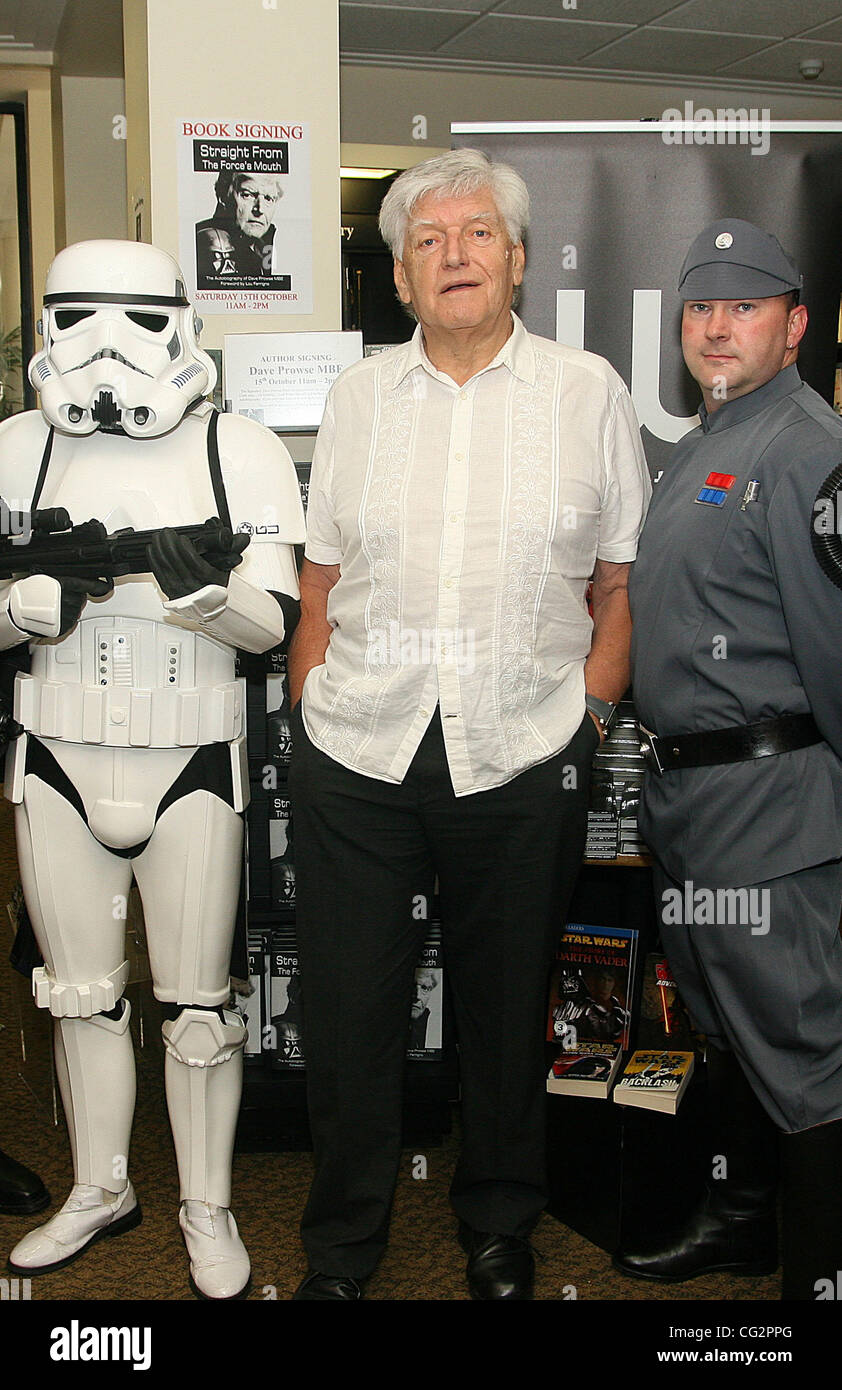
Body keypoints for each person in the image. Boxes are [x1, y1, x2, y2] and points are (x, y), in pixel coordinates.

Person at [287, 148, 650, 1300]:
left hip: (522, 749)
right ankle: (342, 1248)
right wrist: (307, 708)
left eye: (477, 233)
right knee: (349, 1021)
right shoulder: (356, 399)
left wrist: (588, 715)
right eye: (428, 240)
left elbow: (618, 582)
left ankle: (499, 1225)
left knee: (505, 1013)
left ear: (518, 261)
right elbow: (317, 583)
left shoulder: (587, 391)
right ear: (399, 279)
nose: (454, 254)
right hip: (359, 751)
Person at [1, 239, 304, 1298]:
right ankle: (101, 1185)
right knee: (77, 996)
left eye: (134, 323)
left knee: (198, 1007)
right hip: (57, 755)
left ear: (179, 322)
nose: (105, 354)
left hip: (190, 761)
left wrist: (206, 597)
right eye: (78, 320)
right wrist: (15, 608)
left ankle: (207, 1202)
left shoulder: (242, 450)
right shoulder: (15, 450)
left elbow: (274, 623)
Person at [618, 218, 842, 1300]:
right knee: (726, 1036)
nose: (716, 327)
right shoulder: (710, 437)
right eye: (700, 308)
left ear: (792, 327)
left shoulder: (805, 448)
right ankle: (744, 1225)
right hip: (693, 807)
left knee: (802, 1056)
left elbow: (833, 651)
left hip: (772, 813)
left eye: (743, 307)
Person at [196, 172, 288, 284]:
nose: (260, 209)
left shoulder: (272, 242)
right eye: (247, 195)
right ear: (223, 196)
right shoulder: (203, 241)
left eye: (268, 199)